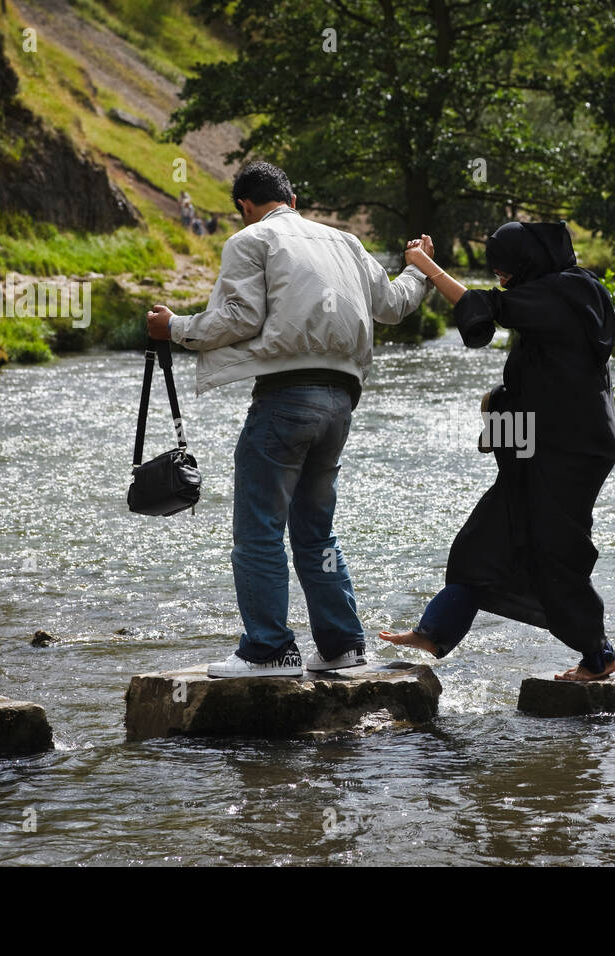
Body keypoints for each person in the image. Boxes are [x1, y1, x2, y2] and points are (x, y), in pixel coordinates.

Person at [145, 161, 433, 677]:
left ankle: (269, 650)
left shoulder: (251, 238)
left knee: (258, 530)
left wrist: (176, 327)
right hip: (342, 400)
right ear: (294, 198)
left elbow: (239, 318)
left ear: (245, 207)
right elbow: (394, 304)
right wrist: (417, 266)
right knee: (316, 532)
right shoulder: (345, 242)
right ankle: (343, 647)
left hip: (285, 398)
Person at [380, 221, 615, 681]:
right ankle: (435, 630)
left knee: (555, 552)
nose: (501, 278)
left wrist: (425, 266)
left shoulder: (566, 293)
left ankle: (599, 655)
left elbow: (484, 308)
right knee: (486, 537)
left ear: (528, 262)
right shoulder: (561, 289)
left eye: (505, 269)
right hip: (537, 443)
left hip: (570, 450)